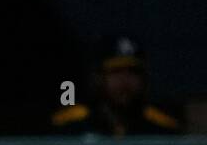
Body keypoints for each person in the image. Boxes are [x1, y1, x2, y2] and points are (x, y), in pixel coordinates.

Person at [51, 36, 182, 137]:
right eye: (116, 72)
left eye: (133, 72)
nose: (124, 81)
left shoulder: (161, 127)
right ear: (98, 78)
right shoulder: (72, 124)